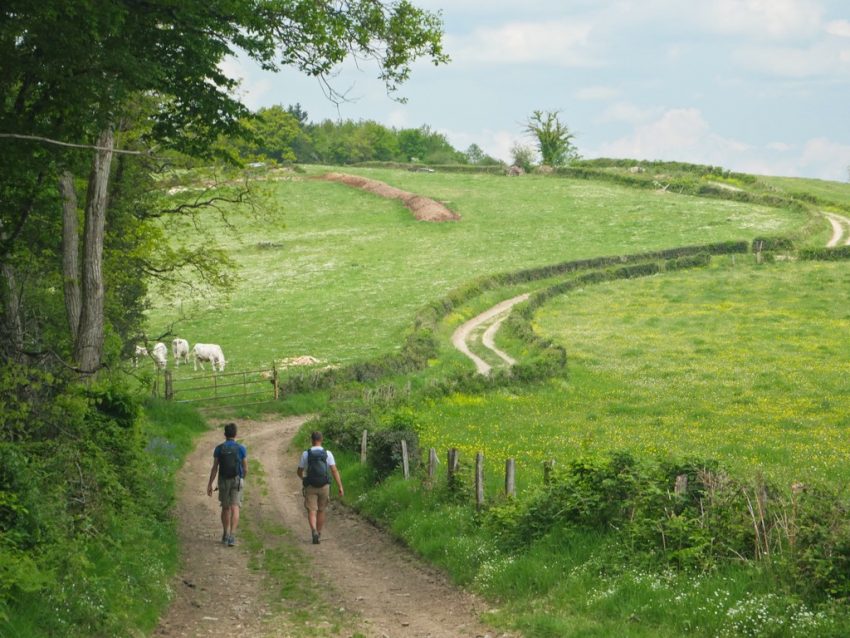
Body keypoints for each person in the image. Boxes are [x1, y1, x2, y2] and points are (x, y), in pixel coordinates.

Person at [297, 431, 344, 544]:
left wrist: (304, 479)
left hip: (310, 485)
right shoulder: (327, 453)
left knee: (312, 510)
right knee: (321, 510)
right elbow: (334, 470)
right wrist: (340, 486)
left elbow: (299, 471)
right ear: (321, 439)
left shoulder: (305, 454)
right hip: (324, 485)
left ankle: (313, 531)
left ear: (312, 440)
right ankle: (319, 532)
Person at [207, 422, 247, 547]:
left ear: (225, 434)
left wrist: (210, 484)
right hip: (236, 479)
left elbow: (214, 468)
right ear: (236, 434)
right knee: (235, 507)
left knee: (225, 507)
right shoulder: (241, 448)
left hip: (223, 480)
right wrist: (242, 478)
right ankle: (232, 536)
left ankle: (225, 534)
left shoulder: (219, 449)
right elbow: (246, 468)